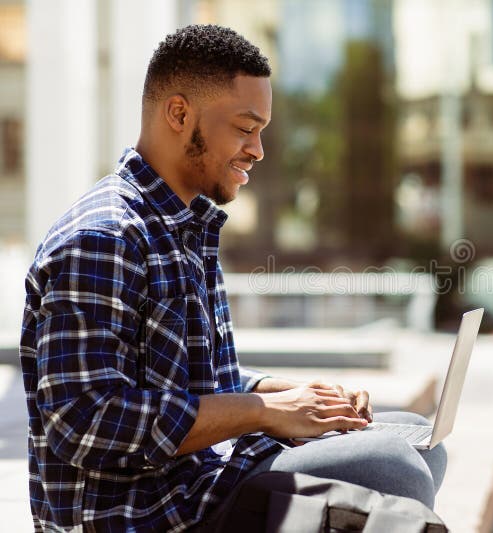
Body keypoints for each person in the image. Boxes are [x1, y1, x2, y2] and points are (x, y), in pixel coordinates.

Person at [20, 25, 445, 532]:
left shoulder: (184, 225)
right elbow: (85, 421)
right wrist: (263, 410)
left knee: (418, 439)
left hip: (198, 484)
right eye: (246, 128)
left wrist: (289, 394)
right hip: (145, 514)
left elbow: (193, 382)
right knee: (390, 468)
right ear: (179, 114)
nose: (258, 149)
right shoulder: (104, 238)